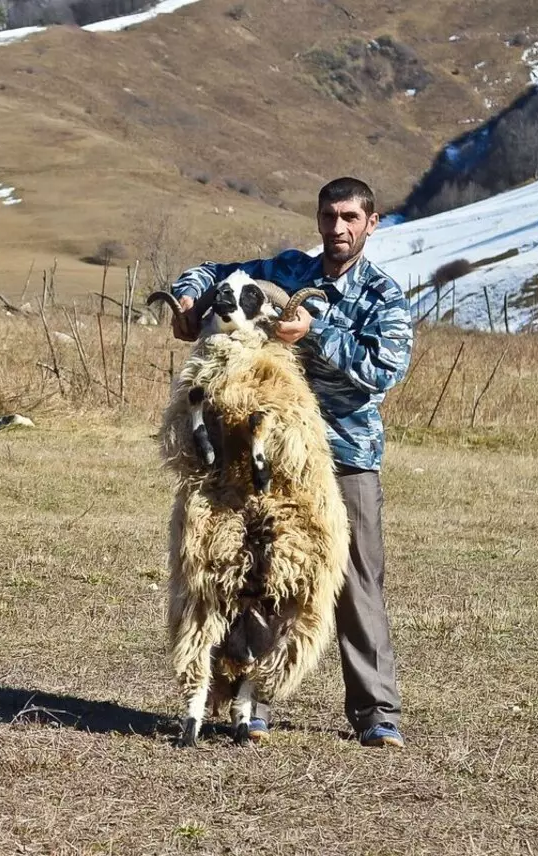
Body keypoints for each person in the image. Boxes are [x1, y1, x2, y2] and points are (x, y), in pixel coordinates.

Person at [166, 176, 413, 748]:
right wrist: (187, 298)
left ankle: (376, 711)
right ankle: (252, 703)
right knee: (254, 570)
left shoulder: (382, 295)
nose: (338, 228)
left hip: (343, 458)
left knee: (352, 579)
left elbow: (385, 369)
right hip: (264, 457)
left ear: (371, 223)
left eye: (351, 217)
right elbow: (214, 272)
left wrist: (318, 333)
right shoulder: (288, 271)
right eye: (329, 216)